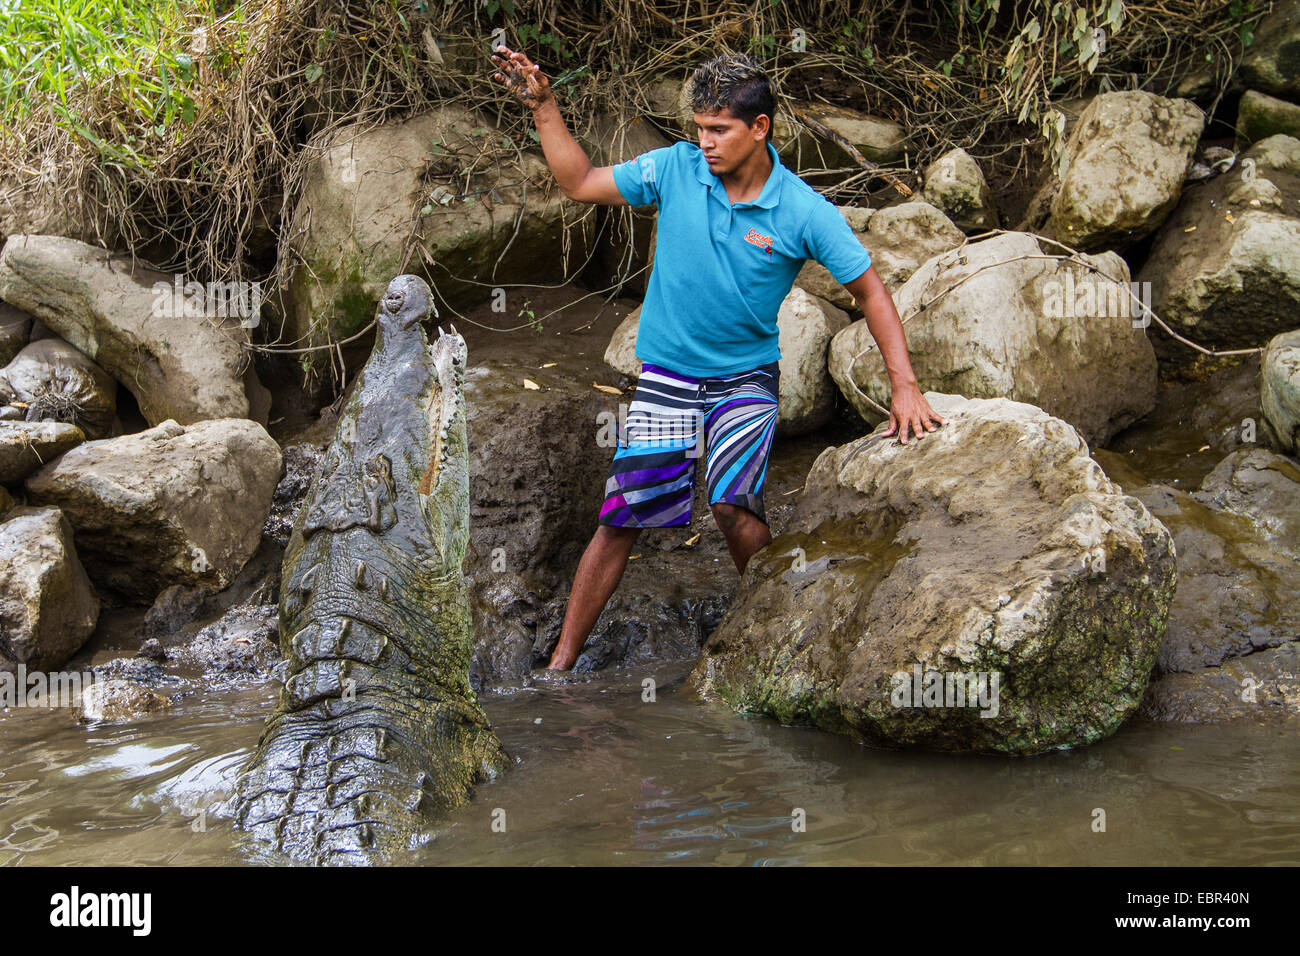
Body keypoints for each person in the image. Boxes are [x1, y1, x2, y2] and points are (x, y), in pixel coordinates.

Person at [492, 47, 947, 671]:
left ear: (759, 128)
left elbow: (870, 291)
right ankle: (560, 666)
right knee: (623, 515)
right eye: (699, 129)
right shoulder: (675, 170)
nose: (704, 143)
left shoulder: (803, 210)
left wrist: (905, 388)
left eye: (719, 130)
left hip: (745, 381)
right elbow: (579, 183)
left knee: (732, 506)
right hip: (668, 378)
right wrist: (544, 107)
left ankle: (768, 627)